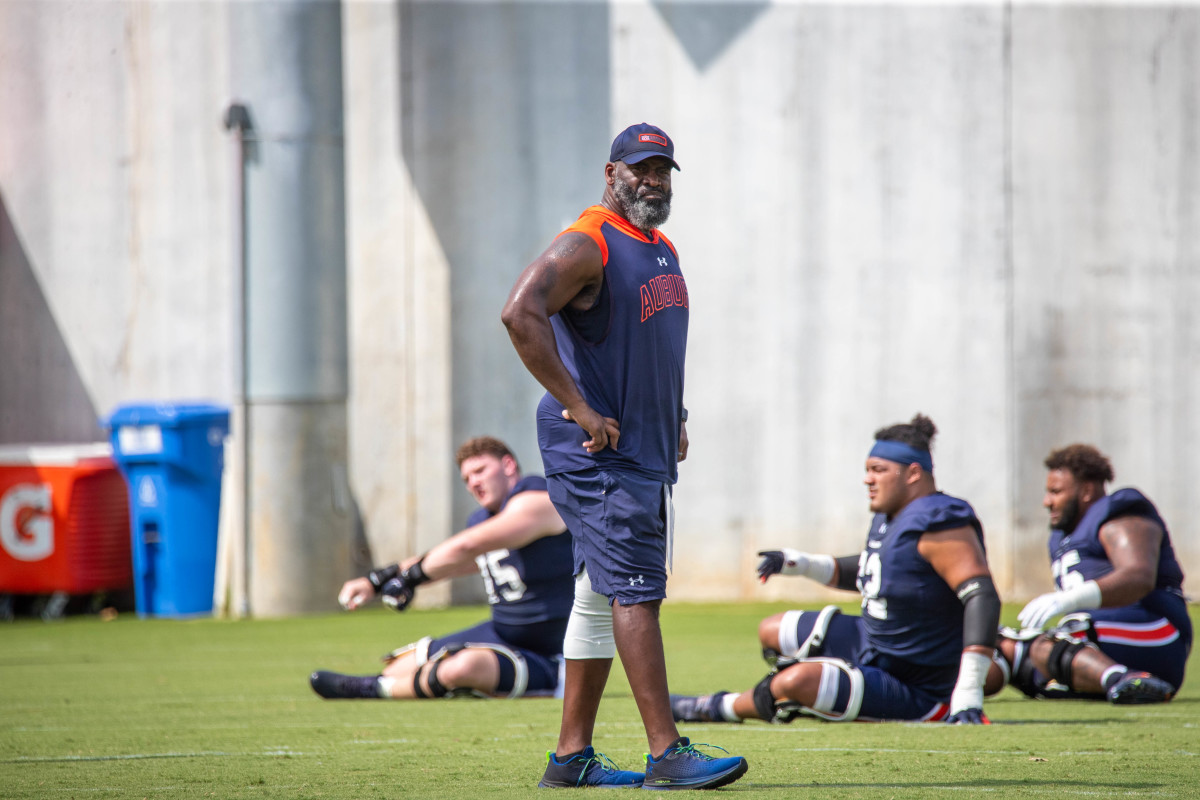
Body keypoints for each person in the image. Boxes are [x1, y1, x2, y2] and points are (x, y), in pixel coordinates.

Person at [501, 123, 747, 790]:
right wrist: (578, 405)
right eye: (641, 168)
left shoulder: (660, 247)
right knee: (637, 589)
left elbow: (653, 347)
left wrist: (677, 416)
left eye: (663, 169)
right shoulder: (589, 241)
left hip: (640, 444)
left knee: (594, 595)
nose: (654, 180)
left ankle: (570, 757)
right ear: (610, 173)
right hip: (594, 447)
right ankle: (666, 752)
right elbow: (520, 312)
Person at [671, 414, 1001, 726]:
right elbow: (877, 570)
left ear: (913, 474)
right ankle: (828, 692)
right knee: (773, 630)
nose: (867, 479)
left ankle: (718, 706)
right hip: (875, 643)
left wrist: (969, 689)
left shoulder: (940, 521)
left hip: (917, 681)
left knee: (797, 680)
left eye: (878, 470)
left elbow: (981, 596)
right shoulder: (894, 515)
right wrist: (798, 563)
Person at [308, 436, 574, 703]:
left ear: (508, 465)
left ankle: (372, 690)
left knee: (462, 668)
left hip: (553, 652)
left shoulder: (539, 499)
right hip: (502, 632)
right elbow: (454, 562)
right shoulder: (483, 519)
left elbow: (468, 546)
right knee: (397, 669)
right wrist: (376, 581)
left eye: (480, 471)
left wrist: (410, 578)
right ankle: (385, 684)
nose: (473, 483)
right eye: (467, 479)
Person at [984, 444, 1189, 704]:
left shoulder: (1118, 514)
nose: (1047, 502)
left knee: (1054, 642)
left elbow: (1138, 576)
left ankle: (1121, 681)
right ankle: (937, 693)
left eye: (1056, 492)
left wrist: (1068, 601)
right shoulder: (1062, 537)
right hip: (1097, 639)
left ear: (1087, 491)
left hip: (1158, 631)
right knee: (998, 647)